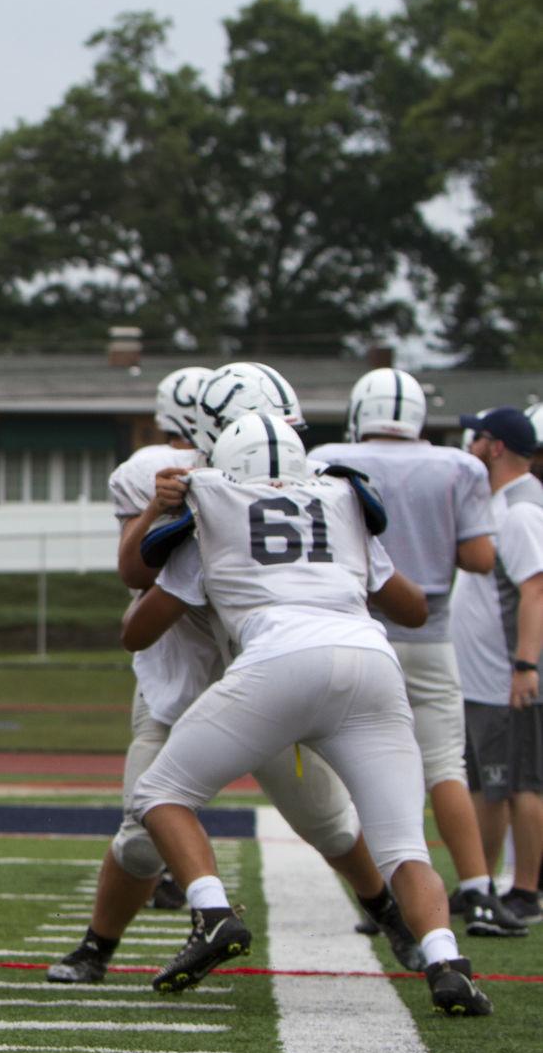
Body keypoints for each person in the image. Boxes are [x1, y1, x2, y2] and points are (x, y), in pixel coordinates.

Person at [52, 364, 422, 983]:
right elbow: (133, 577)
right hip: (189, 681)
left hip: (275, 676)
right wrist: (155, 512)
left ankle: (392, 917)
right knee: (143, 831)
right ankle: (97, 947)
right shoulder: (164, 476)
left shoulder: (310, 483)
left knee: (329, 822)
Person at [123, 414, 492, 1015]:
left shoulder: (210, 502)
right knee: (403, 846)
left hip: (277, 665)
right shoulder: (342, 497)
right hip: (370, 662)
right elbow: (413, 610)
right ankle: (447, 962)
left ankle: (213, 911)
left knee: (160, 795)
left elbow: (137, 630)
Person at [310, 371, 525, 937]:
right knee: (445, 768)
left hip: (357, 632)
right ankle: (478, 892)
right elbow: (479, 558)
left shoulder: (329, 456)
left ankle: (383, 900)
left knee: (364, 770)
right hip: (430, 635)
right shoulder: (459, 467)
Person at [453, 407, 543, 925]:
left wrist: (526, 664)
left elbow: (535, 588)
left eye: (477, 437)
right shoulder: (502, 503)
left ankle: (525, 891)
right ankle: (480, 884)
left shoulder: (523, 509)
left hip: (505, 675)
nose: (470, 445)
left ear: (496, 446)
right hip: (483, 675)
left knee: (520, 783)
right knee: (486, 786)